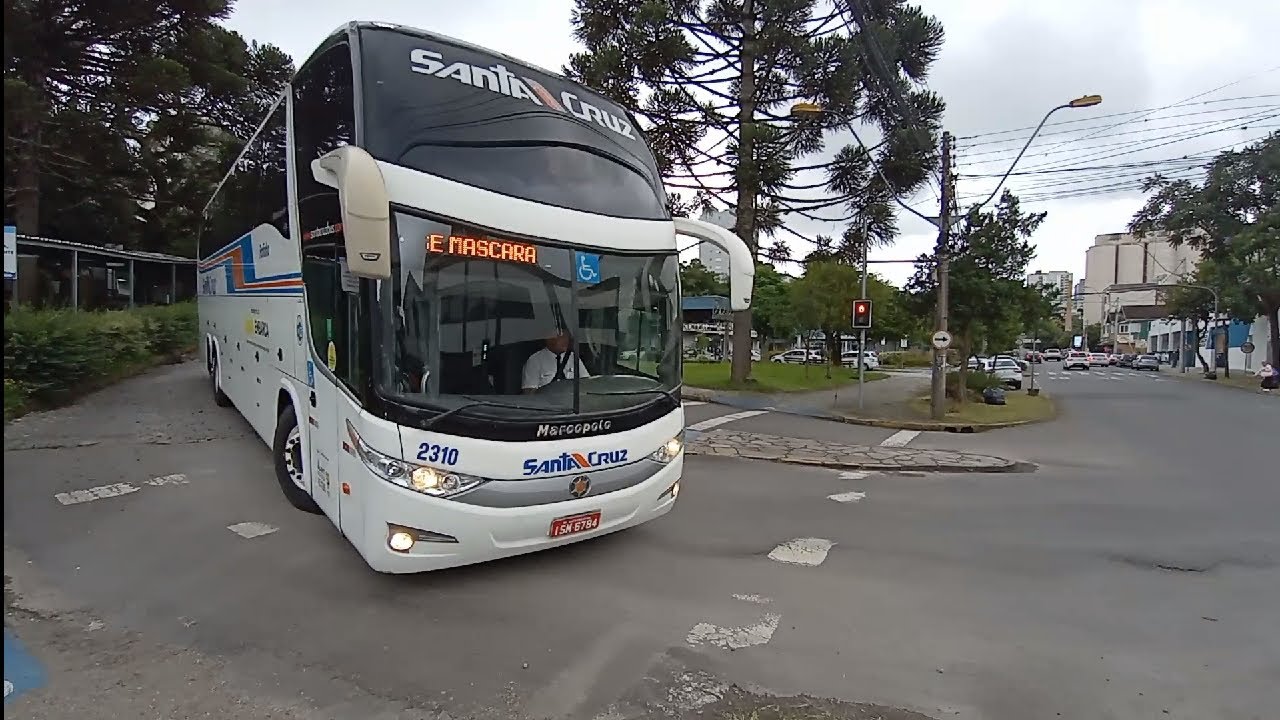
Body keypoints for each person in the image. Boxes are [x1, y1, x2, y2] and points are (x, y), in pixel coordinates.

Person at [522, 328, 591, 393]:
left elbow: (586, 383)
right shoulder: (535, 360)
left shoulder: (573, 357)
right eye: (561, 336)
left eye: (567, 337)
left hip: (572, 403)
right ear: (549, 338)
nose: (565, 340)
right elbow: (529, 393)